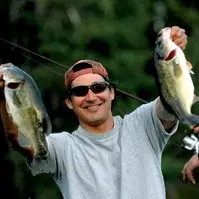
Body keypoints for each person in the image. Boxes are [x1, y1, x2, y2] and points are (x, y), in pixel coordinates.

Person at [0, 26, 188, 199]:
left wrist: (170, 49)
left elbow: (172, 102)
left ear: (111, 92)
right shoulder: (63, 147)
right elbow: (18, 138)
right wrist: (4, 96)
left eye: (98, 87)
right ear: (69, 103)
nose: (91, 97)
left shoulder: (142, 123)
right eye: (80, 92)